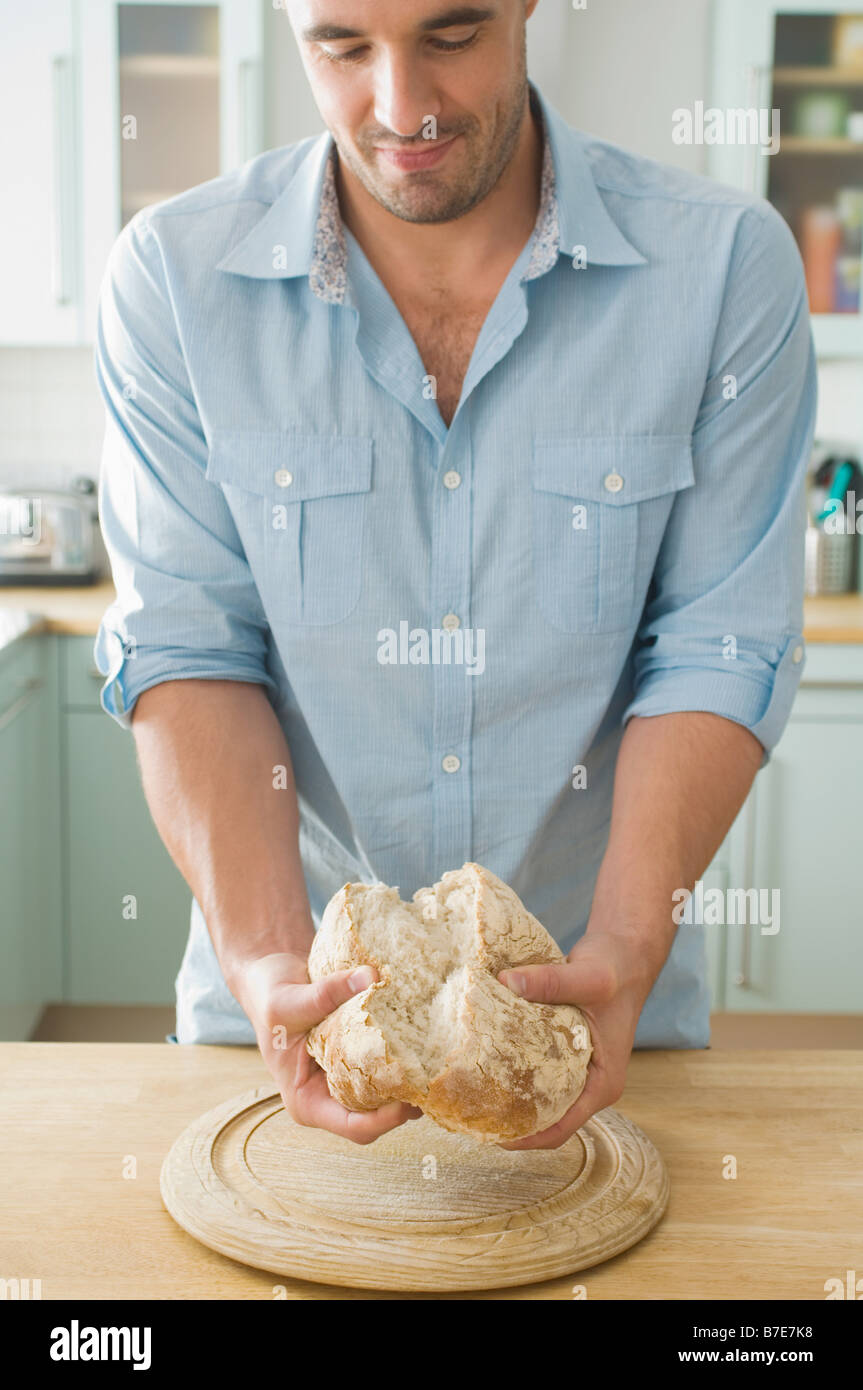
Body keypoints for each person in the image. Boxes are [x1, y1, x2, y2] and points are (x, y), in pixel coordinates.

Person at [94, 0, 816, 1150]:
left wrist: (623, 951)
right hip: (274, 1030)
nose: (400, 108)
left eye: (449, 33)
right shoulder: (172, 283)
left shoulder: (724, 269)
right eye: (341, 46)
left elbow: (715, 650)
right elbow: (189, 654)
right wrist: (273, 965)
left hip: (594, 1025)